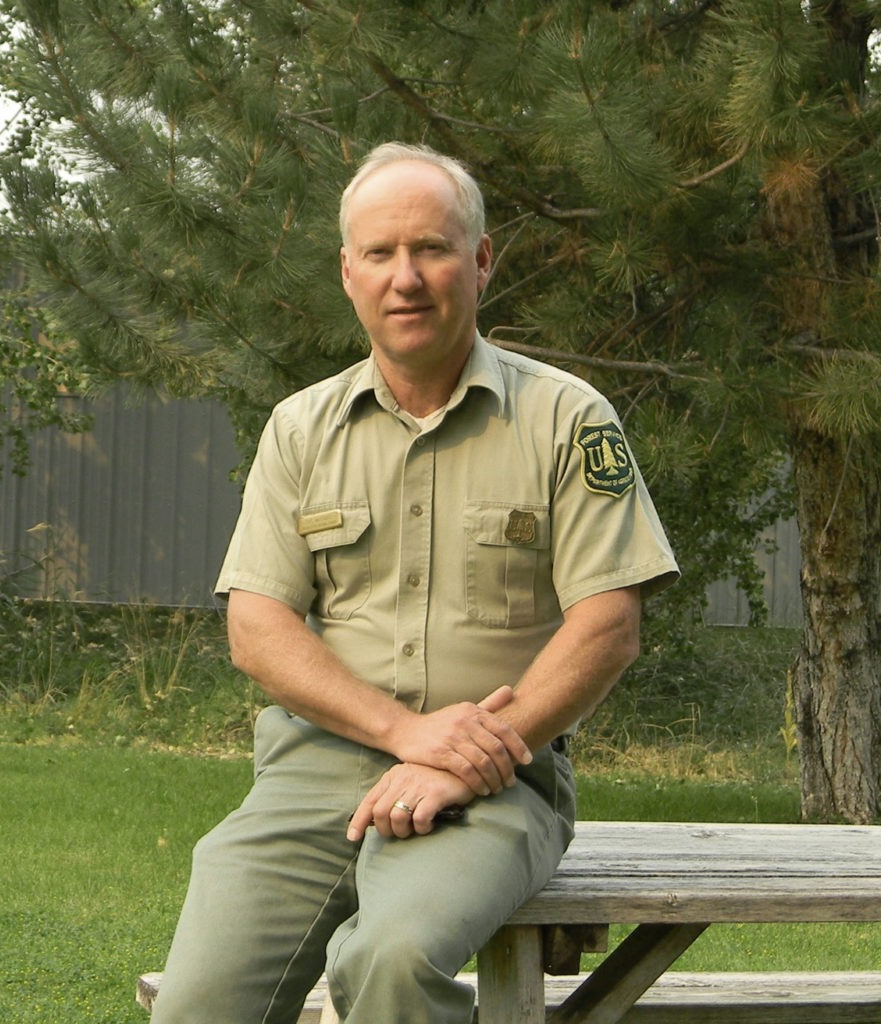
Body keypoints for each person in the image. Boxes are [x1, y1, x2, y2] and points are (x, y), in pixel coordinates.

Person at [150, 142, 679, 1024]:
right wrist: (406, 734)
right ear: (347, 272)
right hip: (314, 773)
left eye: (431, 248)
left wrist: (464, 759)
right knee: (199, 1004)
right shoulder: (301, 429)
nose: (406, 278)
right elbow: (257, 626)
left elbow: (607, 624)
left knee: (390, 963)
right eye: (380, 253)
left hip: (496, 780)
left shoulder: (566, 417)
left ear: (480, 260)